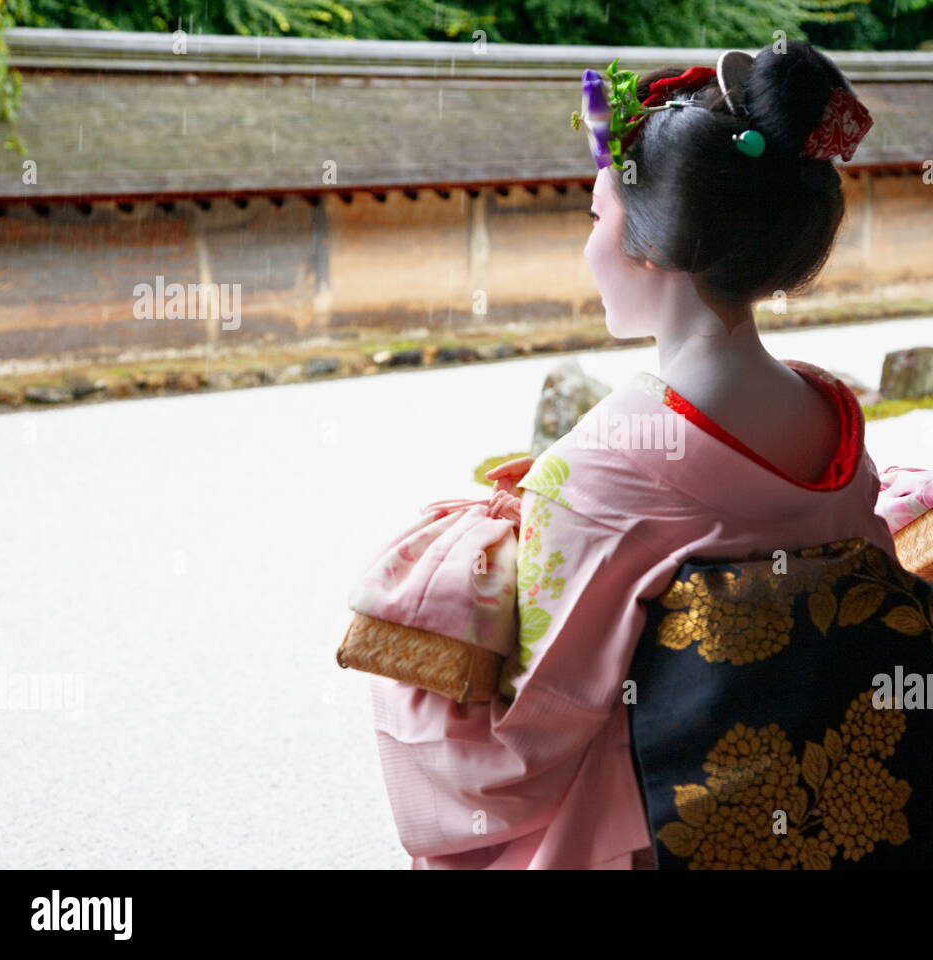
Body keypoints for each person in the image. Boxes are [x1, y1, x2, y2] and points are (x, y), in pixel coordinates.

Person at [368, 41, 896, 869]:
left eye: (595, 216)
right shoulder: (834, 420)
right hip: (809, 825)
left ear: (651, 242)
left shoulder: (608, 459)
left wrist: (424, 623)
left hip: (651, 836)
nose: (588, 247)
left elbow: (526, 745)